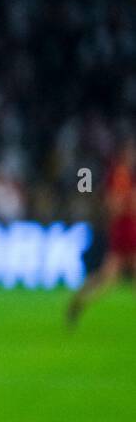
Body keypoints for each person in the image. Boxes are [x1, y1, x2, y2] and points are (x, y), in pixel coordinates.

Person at [67, 135, 136, 326]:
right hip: (123, 232)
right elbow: (112, 205)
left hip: (129, 231)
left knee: (108, 277)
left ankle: (79, 301)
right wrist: (129, 203)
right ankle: (79, 301)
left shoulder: (126, 175)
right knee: (108, 278)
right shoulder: (119, 175)